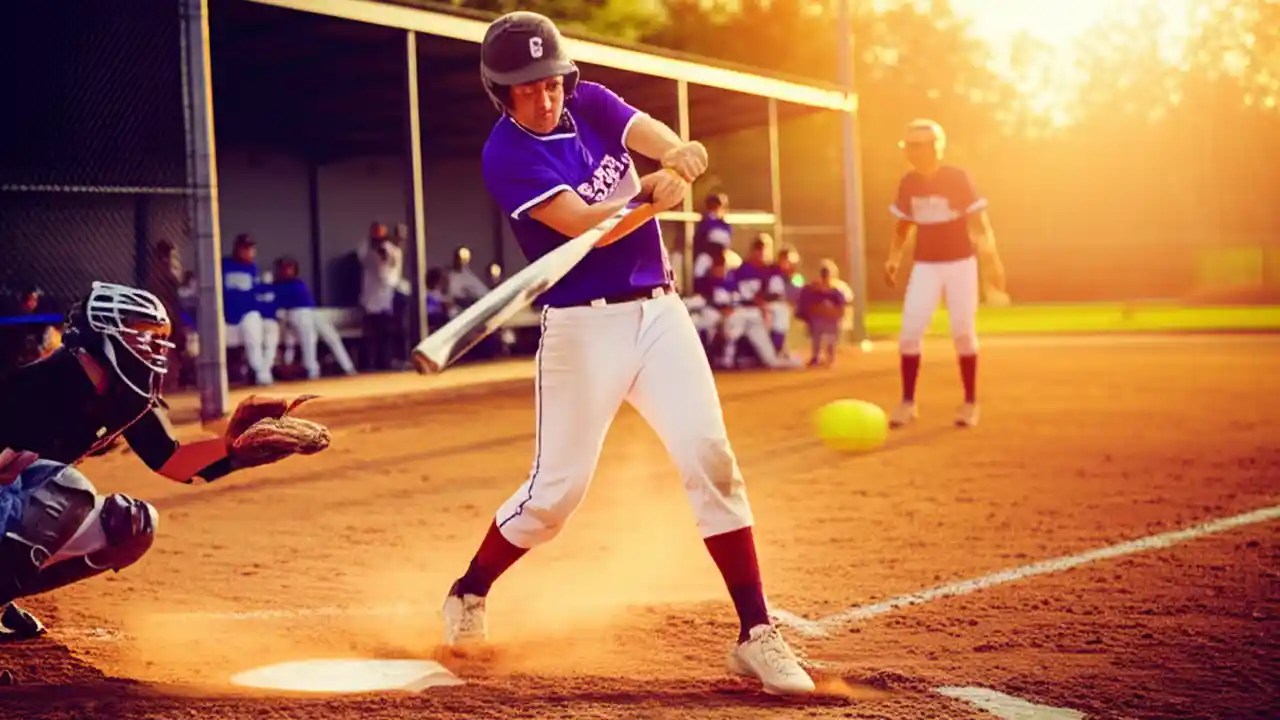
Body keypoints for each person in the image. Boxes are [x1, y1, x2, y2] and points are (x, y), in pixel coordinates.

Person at [440, 12, 814, 696]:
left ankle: (756, 634)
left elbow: (659, 138)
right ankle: (469, 590)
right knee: (555, 498)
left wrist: (681, 157)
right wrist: (651, 192)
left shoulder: (589, 101)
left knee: (711, 457)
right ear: (502, 93)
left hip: (660, 313)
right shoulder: (507, 155)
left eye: (550, 81)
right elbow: (589, 228)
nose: (544, 97)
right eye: (526, 89)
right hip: (581, 331)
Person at [0, 281, 330, 639]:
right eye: (143, 335)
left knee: (131, 525)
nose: (155, 348)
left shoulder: (124, 396)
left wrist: (232, 450)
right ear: (104, 335)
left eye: (159, 338)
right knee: (65, 491)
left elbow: (172, 459)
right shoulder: (36, 387)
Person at [883, 119, 1007, 429]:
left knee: (963, 331)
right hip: (926, 265)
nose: (911, 152)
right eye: (908, 145)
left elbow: (980, 224)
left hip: (960, 264)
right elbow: (903, 226)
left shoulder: (956, 178)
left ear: (935, 147)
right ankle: (908, 402)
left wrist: (991, 263)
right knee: (910, 332)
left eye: (918, 145)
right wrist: (894, 258)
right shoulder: (909, 182)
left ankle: (969, 402)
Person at [720, 234, 800, 370]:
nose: (760, 253)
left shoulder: (772, 271)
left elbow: (777, 295)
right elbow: (733, 295)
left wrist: (763, 303)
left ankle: (776, 352)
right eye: (758, 249)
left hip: (757, 315)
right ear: (752, 251)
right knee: (730, 323)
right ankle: (728, 359)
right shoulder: (740, 270)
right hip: (742, 311)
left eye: (763, 250)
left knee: (780, 311)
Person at [273, 257, 356, 379]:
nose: (288, 270)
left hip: (312, 311)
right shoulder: (276, 286)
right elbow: (277, 307)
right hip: (296, 312)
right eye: (285, 268)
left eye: (290, 267)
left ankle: (348, 367)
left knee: (332, 337)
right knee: (309, 339)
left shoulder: (298, 282)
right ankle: (311, 370)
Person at [222, 234, 274, 386]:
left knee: (256, 327)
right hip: (227, 317)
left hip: (247, 314)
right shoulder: (224, 265)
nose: (249, 252)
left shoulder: (252, 268)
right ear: (237, 249)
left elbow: (257, 293)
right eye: (245, 248)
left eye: (251, 249)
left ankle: (259, 372)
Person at [357, 222, 401, 371]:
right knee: (369, 337)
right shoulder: (367, 249)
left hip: (386, 299)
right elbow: (363, 257)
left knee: (385, 336)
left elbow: (388, 274)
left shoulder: (391, 250)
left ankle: (385, 365)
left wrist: (384, 254)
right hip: (369, 299)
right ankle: (368, 367)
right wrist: (374, 249)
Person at [797, 260, 851, 367]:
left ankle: (829, 357)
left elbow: (841, 309)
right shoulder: (811, 291)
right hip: (817, 321)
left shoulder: (835, 292)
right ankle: (816, 357)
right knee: (817, 332)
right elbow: (806, 308)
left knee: (831, 335)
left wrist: (832, 313)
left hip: (831, 321)